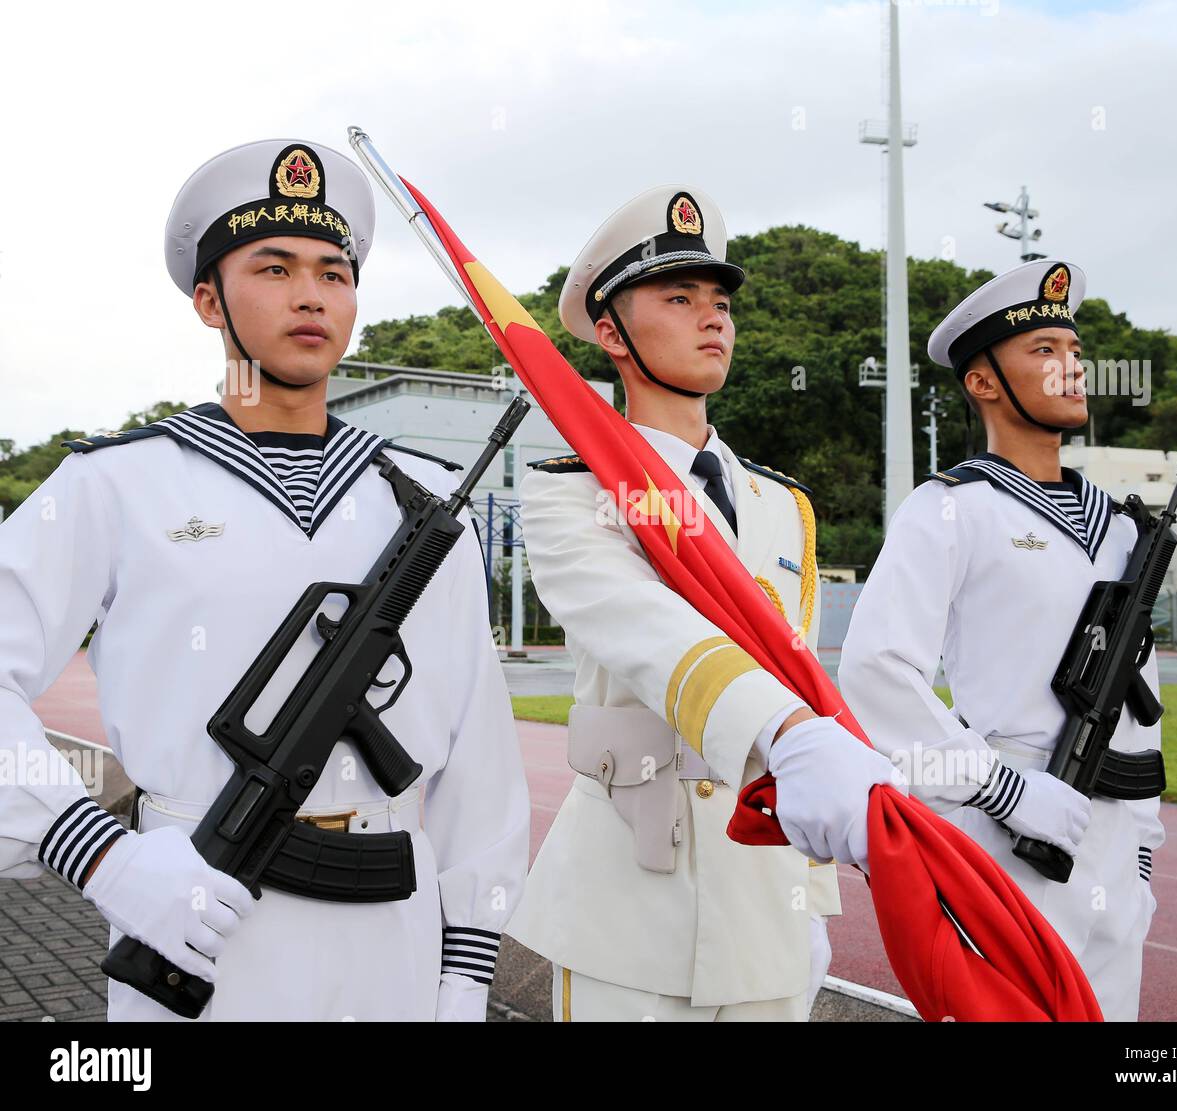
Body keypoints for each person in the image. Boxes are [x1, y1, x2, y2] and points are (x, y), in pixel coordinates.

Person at [0, 138, 529, 1021]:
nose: (312, 294)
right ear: (210, 300)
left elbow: (482, 756)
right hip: (192, 922)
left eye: (334, 271)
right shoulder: (118, 483)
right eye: (275, 268)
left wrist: (467, 970)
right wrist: (104, 857)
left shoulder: (429, 499)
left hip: (394, 940)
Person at [505, 185, 900, 1021]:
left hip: (765, 907)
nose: (711, 318)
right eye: (678, 298)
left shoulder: (780, 503)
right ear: (610, 333)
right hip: (628, 908)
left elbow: (806, 688)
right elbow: (648, 633)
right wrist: (790, 737)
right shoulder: (569, 496)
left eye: (719, 301)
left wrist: (812, 891)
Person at [838, 260, 1163, 1021]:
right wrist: (1004, 790)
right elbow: (876, 673)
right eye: (1043, 352)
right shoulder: (949, 510)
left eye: (1074, 353)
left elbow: (1142, 701)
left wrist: (1144, 843)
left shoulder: (1121, 526)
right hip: (1010, 831)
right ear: (982, 383)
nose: (1071, 369)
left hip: (1111, 840)